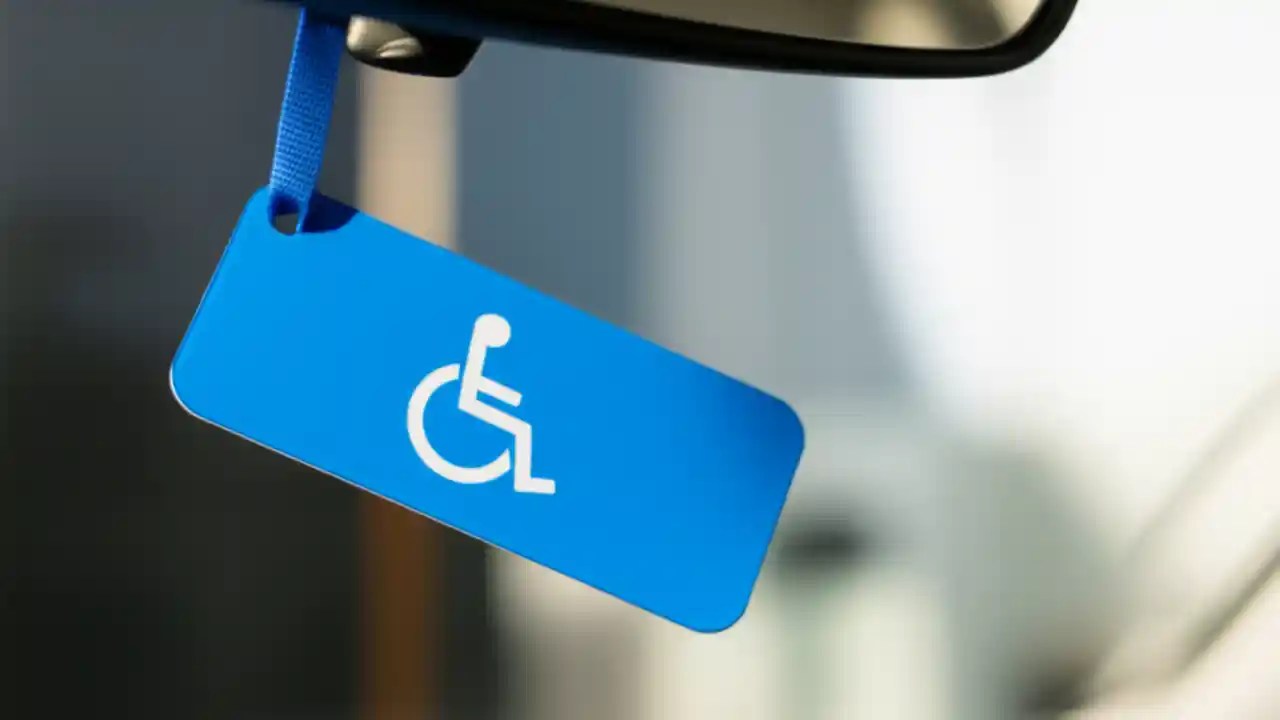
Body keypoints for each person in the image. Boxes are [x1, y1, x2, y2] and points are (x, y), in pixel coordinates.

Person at [458, 314, 556, 495]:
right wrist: (509, 396)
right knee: (522, 429)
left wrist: (510, 397)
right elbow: (473, 383)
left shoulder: (478, 348)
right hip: (469, 402)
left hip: (471, 399)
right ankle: (524, 480)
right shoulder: (478, 350)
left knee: (522, 428)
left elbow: (476, 381)